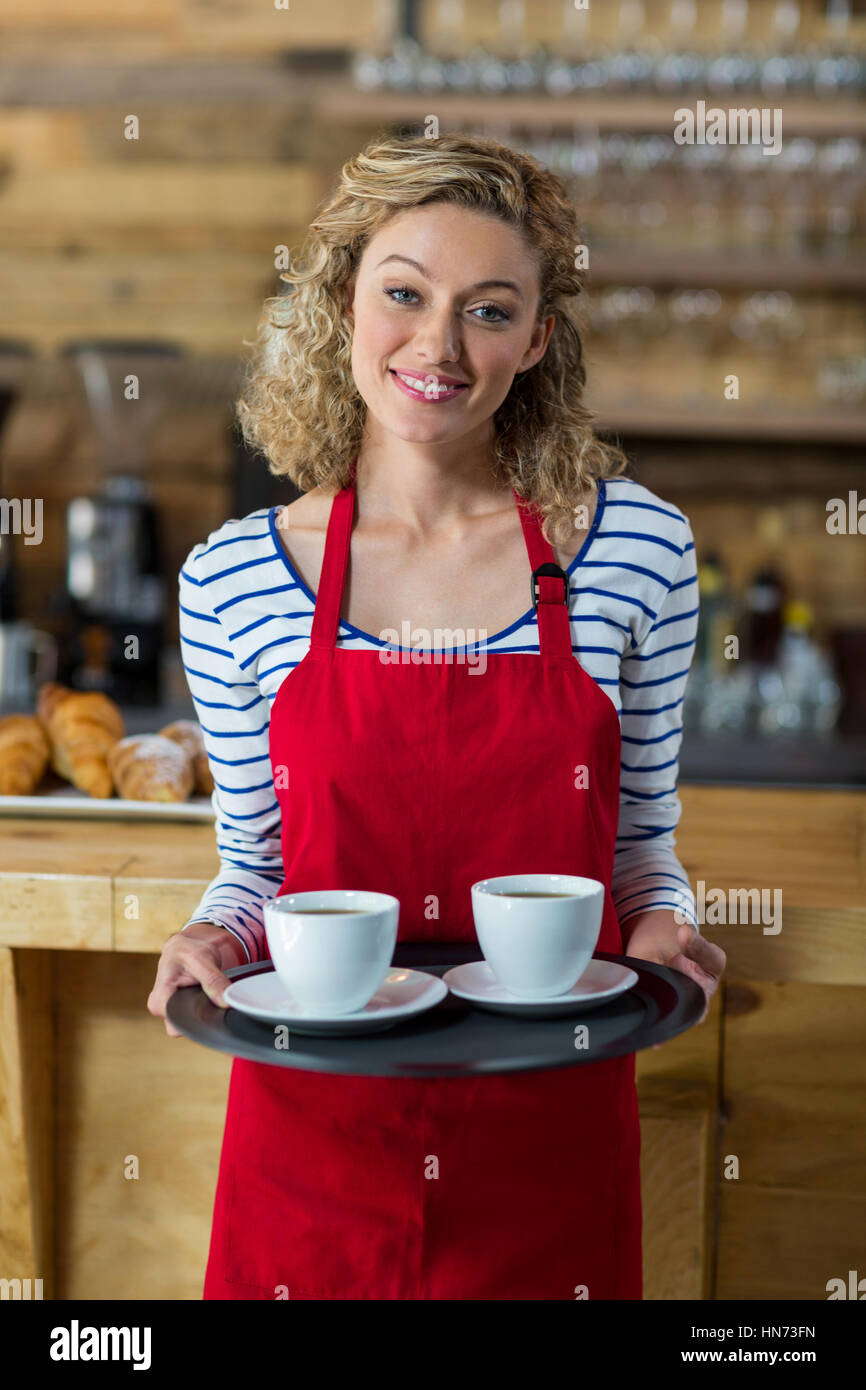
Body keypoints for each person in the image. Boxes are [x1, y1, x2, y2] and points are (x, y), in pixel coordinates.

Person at [148, 132, 726, 1301]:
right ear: (341, 300)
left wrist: (660, 927)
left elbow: (640, 848)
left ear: (536, 339)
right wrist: (208, 938)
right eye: (403, 293)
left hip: (548, 1131)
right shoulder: (233, 580)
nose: (438, 346)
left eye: (489, 309)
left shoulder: (634, 552)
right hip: (311, 1143)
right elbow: (255, 867)